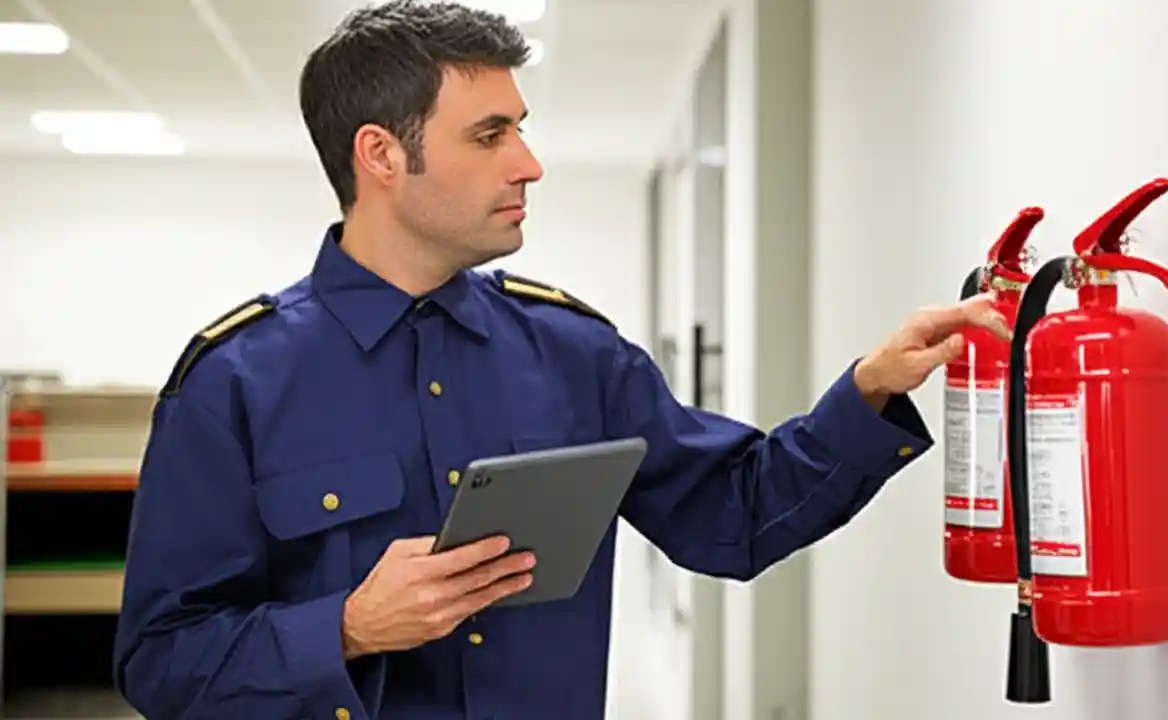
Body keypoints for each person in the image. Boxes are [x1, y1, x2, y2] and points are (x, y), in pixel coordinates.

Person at [111, 1, 1010, 718]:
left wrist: (871, 388)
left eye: (521, 128)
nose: (530, 164)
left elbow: (735, 514)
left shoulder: (575, 353)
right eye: (488, 135)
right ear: (380, 154)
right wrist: (345, 628)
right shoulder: (234, 382)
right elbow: (160, 663)